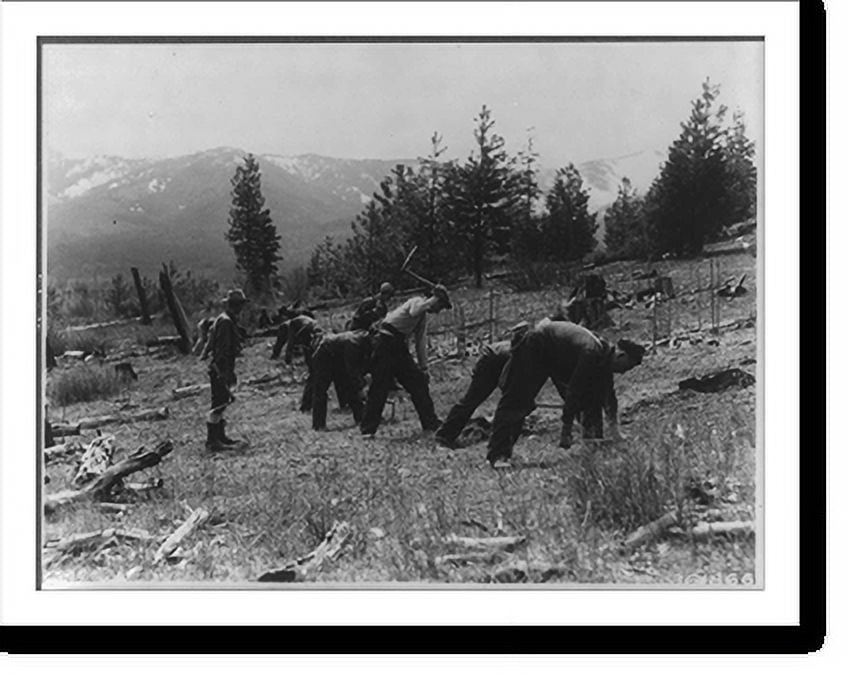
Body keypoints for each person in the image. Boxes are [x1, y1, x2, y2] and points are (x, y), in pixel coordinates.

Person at [485, 319, 645, 468]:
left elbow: (609, 397)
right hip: (537, 345)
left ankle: (592, 444)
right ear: (621, 355)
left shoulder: (604, 356)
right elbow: (574, 392)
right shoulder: (591, 352)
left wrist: (615, 431)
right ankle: (498, 455)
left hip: (557, 356)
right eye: (626, 367)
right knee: (517, 400)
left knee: (594, 395)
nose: (623, 372)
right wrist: (566, 430)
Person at [359, 285, 453, 437]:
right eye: (440, 306)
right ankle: (367, 430)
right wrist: (432, 300)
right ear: (435, 300)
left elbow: (420, 342)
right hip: (384, 342)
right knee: (379, 386)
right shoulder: (416, 301)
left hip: (398, 347)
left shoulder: (422, 318)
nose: (438, 311)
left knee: (418, 383)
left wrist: (424, 368)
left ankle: (430, 423)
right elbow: (414, 311)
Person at [434, 322, 532, 449]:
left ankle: (513, 427)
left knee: (517, 400)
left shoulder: (528, 353)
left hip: (497, 360)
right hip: (488, 363)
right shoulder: (515, 354)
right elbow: (505, 380)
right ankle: (444, 436)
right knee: (472, 400)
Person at [204, 289, 249, 452]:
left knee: (222, 401)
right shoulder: (225, 322)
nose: (240, 308)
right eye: (238, 304)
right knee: (219, 403)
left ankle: (220, 436)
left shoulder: (226, 320)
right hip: (220, 368)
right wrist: (224, 372)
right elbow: (222, 350)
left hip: (222, 367)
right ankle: (212, 441)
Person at [310, 329, 373, 431]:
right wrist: (361, 385)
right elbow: (352, 370)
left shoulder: (360, 343)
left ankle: (361, 417)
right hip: (324, 356)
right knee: (321, 390)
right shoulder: (353, 344)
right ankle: (318, 425)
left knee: (350, 387)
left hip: (337, 357)